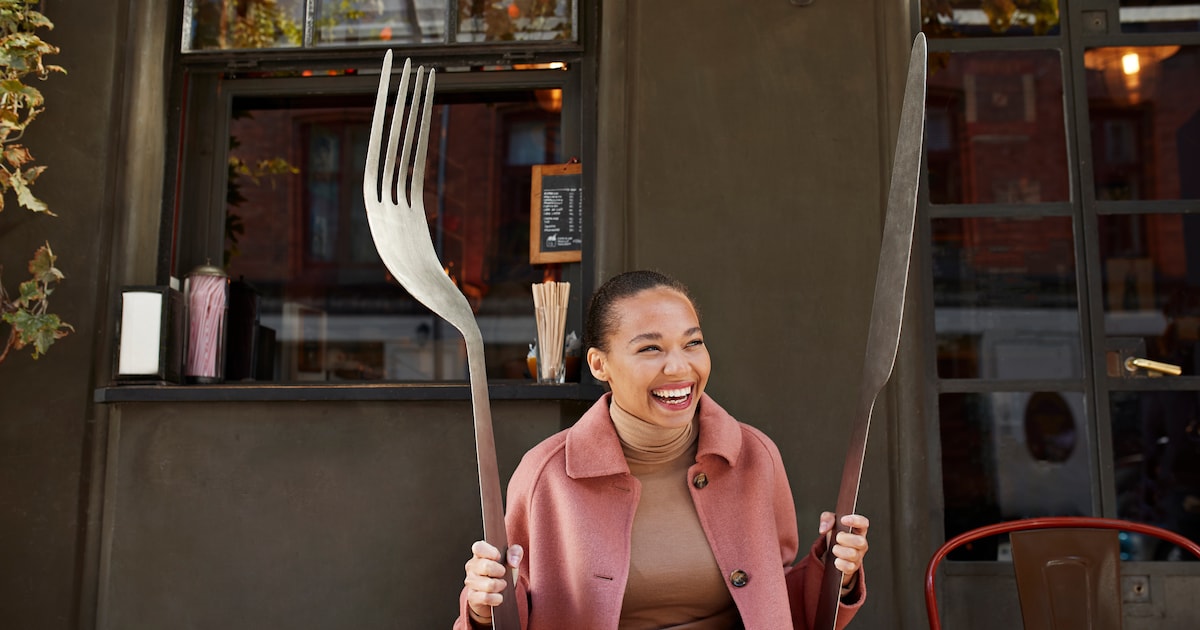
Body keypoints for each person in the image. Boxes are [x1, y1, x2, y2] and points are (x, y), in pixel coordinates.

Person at [455, 270, 870, 629]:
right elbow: (512, 608)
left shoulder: (754, 456)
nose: (679, 367)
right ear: (600, 365)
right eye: (650, 348)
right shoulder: (546, 475)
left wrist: (836, 571)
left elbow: (778, 603)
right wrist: (481, 606)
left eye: (692, 343)